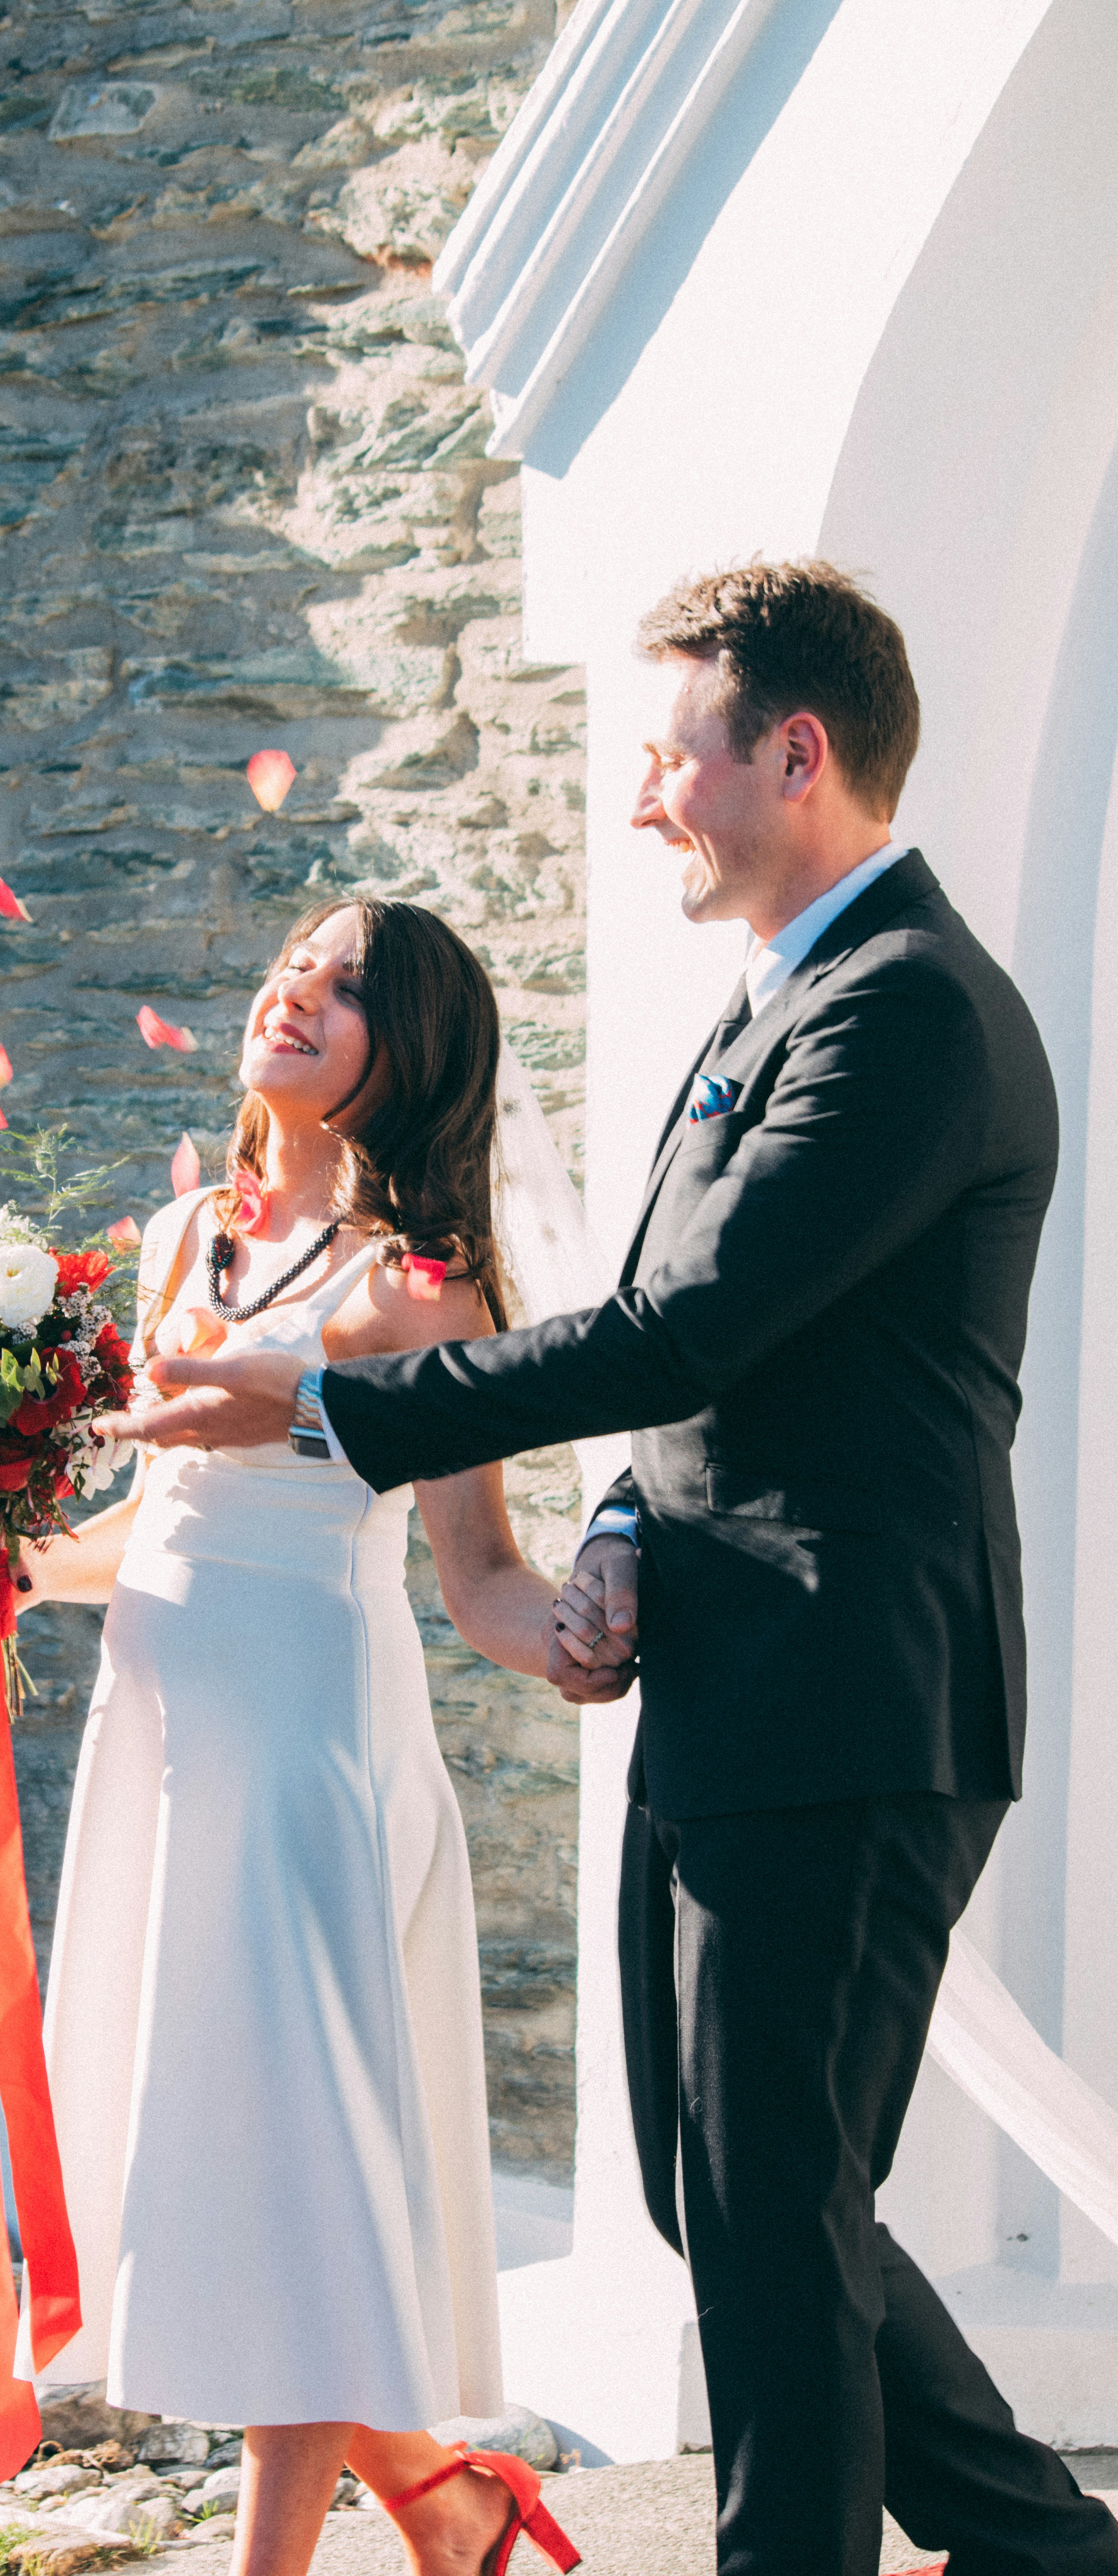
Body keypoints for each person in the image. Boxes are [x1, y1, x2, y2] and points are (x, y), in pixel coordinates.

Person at [107, 562, 1118, 2576]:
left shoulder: (908, 1011)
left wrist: (324, 1409)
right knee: (730, 2191)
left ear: (792, 756)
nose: (649, 797)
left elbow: (687, 1330)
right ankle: (1042, 2547)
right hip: (740, 1680)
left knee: (762, 2206)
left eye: (671, 756)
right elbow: (707, 1363)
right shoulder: (785, 1003)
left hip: (856, 1690)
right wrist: (633, 1530)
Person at [0, 900, 594, 2576]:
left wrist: (586, 1637)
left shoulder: (414, 1286)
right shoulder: (171, 1242)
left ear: (410, 1053)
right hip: (163, 1757)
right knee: (220, 2168)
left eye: (353, 983)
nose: (300, 985)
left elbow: (482, 1576)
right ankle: (444, 2504)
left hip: (311, 1761)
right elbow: (150, 1527)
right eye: (299, 956)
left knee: (297, 2182)